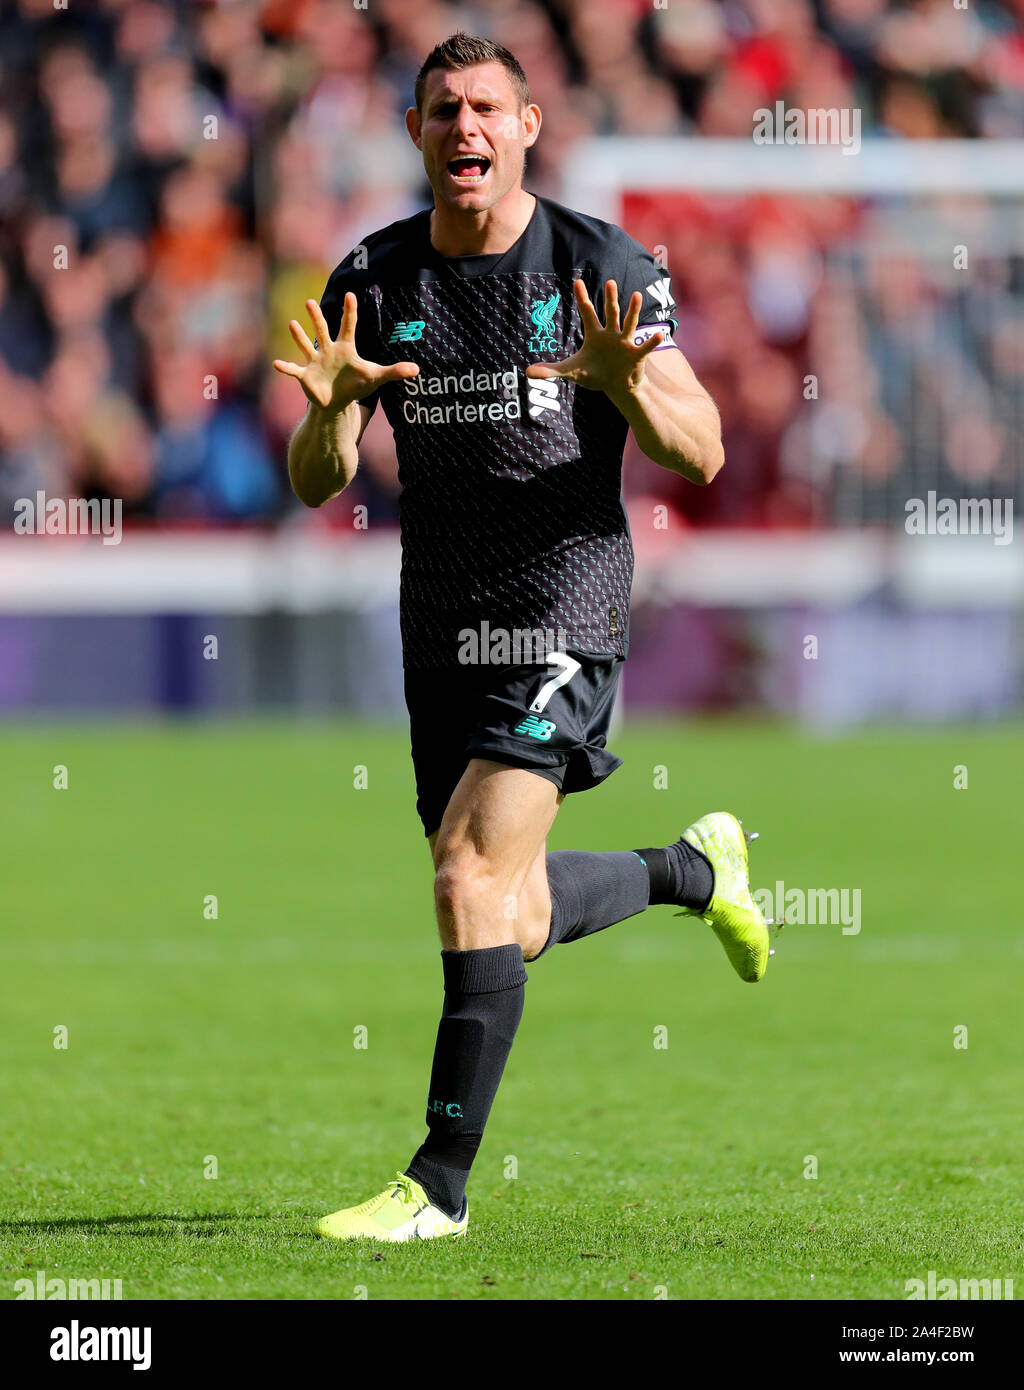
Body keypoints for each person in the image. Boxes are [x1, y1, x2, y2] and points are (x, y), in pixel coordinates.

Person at [273, 32, 771, 1244]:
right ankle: (690, 869)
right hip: (436, 611)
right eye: (442, 110)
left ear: (528, 126)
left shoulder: (602, 267)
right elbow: (312, 481)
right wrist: (335, 414)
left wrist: (626, 380)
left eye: (486, 108)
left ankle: (437, 1184)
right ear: (415, 133)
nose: (465, 129)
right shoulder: (375, 277)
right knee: (515, 908)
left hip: (565, 597)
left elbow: (697, 450)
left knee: (464, 873)